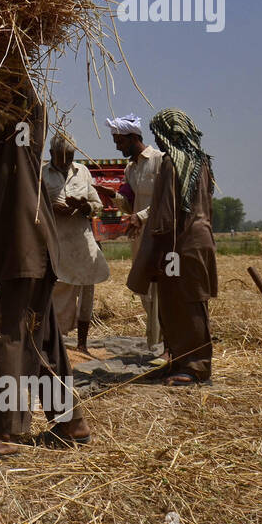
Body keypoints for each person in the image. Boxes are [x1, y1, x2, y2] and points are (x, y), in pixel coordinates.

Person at [0, 87, 91, 459]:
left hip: (26, 251)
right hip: (24, 252)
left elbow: (25, 106)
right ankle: (70, 422)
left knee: (5, 333)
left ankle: (5, 432)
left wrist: (3, 66)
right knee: (43, 341)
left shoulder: (16, 142)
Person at [127, 109, 218, 385]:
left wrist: (157, 254)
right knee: (187, 302)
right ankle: (180, 361)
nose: (160, 140)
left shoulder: (172, 163)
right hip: (200, 239)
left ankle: (194, 368)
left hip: (179, 245)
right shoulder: (202, 162)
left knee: (180, 305)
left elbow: (166, 214)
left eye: (159, 134)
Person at [42, 133, 109, 353]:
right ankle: (55, 342)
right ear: (52, 154)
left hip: (83, 241)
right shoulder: (42, 174)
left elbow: (96, 204)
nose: (67, 161)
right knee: (58, 292)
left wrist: (84, 206)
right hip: (57, 243)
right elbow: (33, 208)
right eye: (63, 156)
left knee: (86, 292)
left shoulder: (83, 172)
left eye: (71, 156)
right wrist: (52, 208)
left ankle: (82, 344)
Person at [108, 113, 164, 351]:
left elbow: (165, 202)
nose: (117, 147)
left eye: (120, 142)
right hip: (140, 240)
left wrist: (140, 217)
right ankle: (155, 345)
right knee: (145, 291)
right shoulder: (130, 169)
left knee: (161, 291)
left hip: (160, 237)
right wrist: (110, 196)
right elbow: (129, 203)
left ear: (132, 137)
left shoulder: (160, 160)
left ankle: (163, 346)